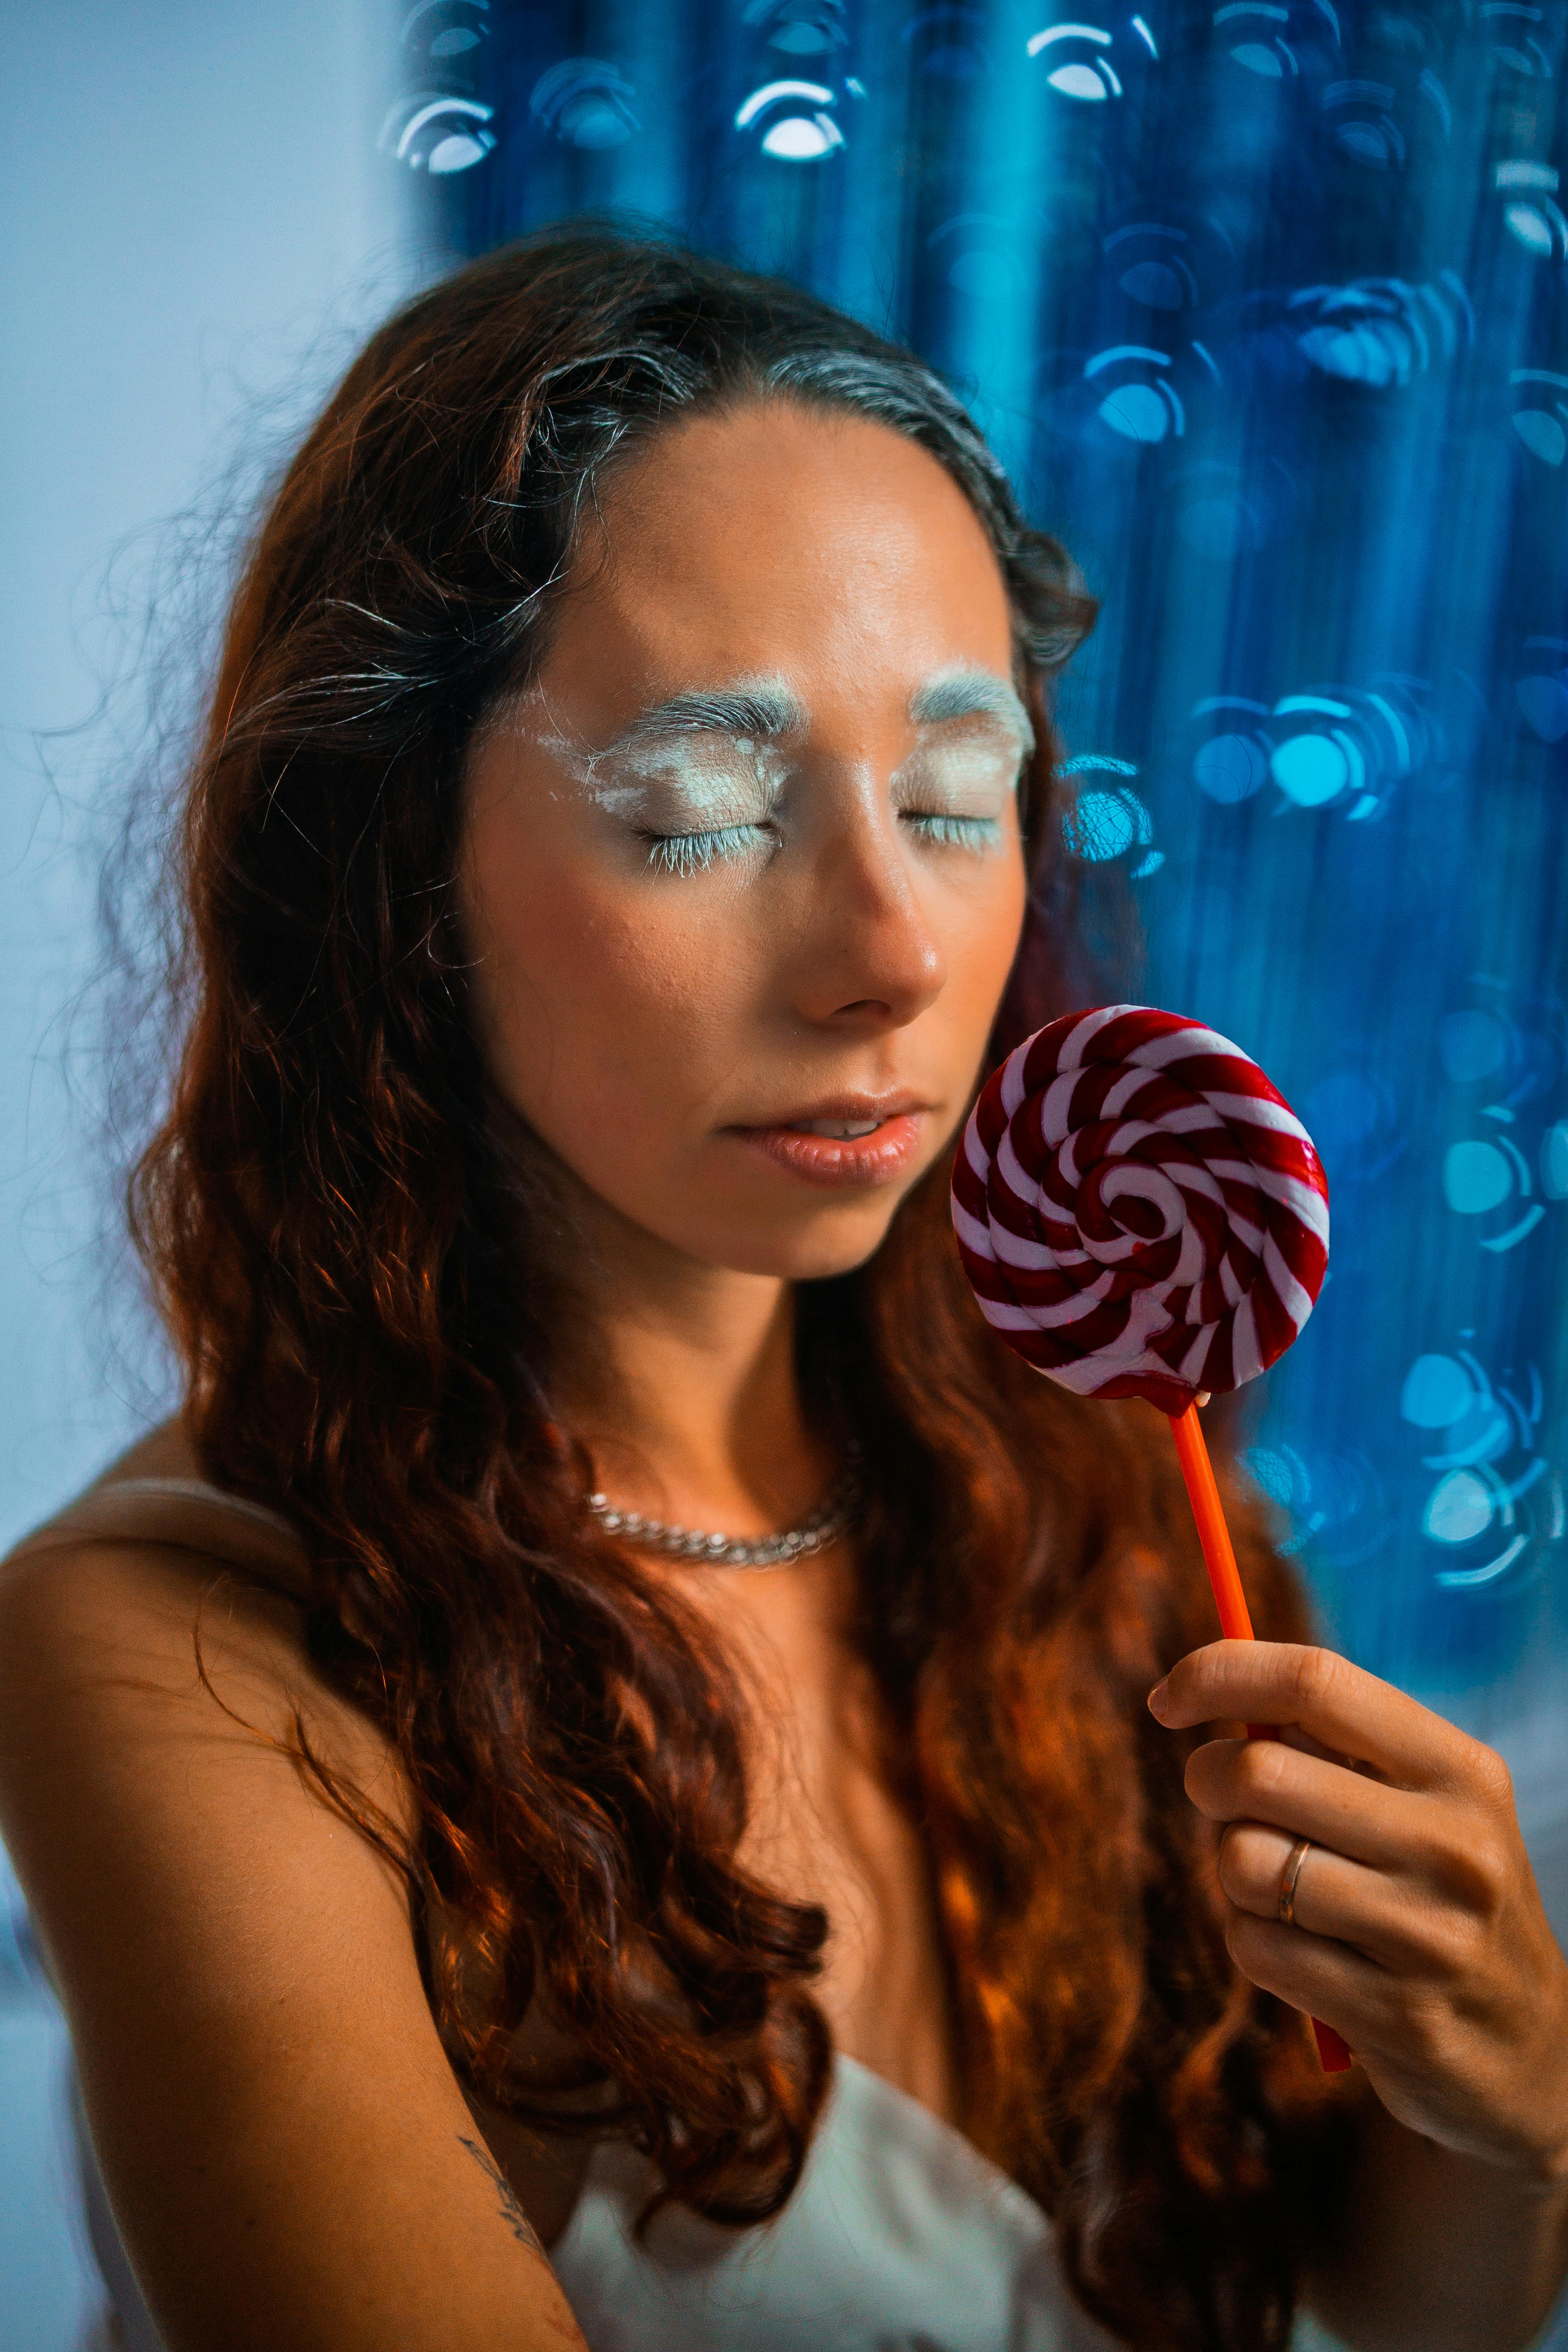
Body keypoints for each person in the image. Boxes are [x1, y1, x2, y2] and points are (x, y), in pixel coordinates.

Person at [0, 227, 1563, 2352]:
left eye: (950, 796)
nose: (891, 955)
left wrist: (1503, 2109)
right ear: (395, 871)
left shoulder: (1102, 1480)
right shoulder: (182, 1661)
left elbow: (1380, 2319)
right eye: (700, 810)